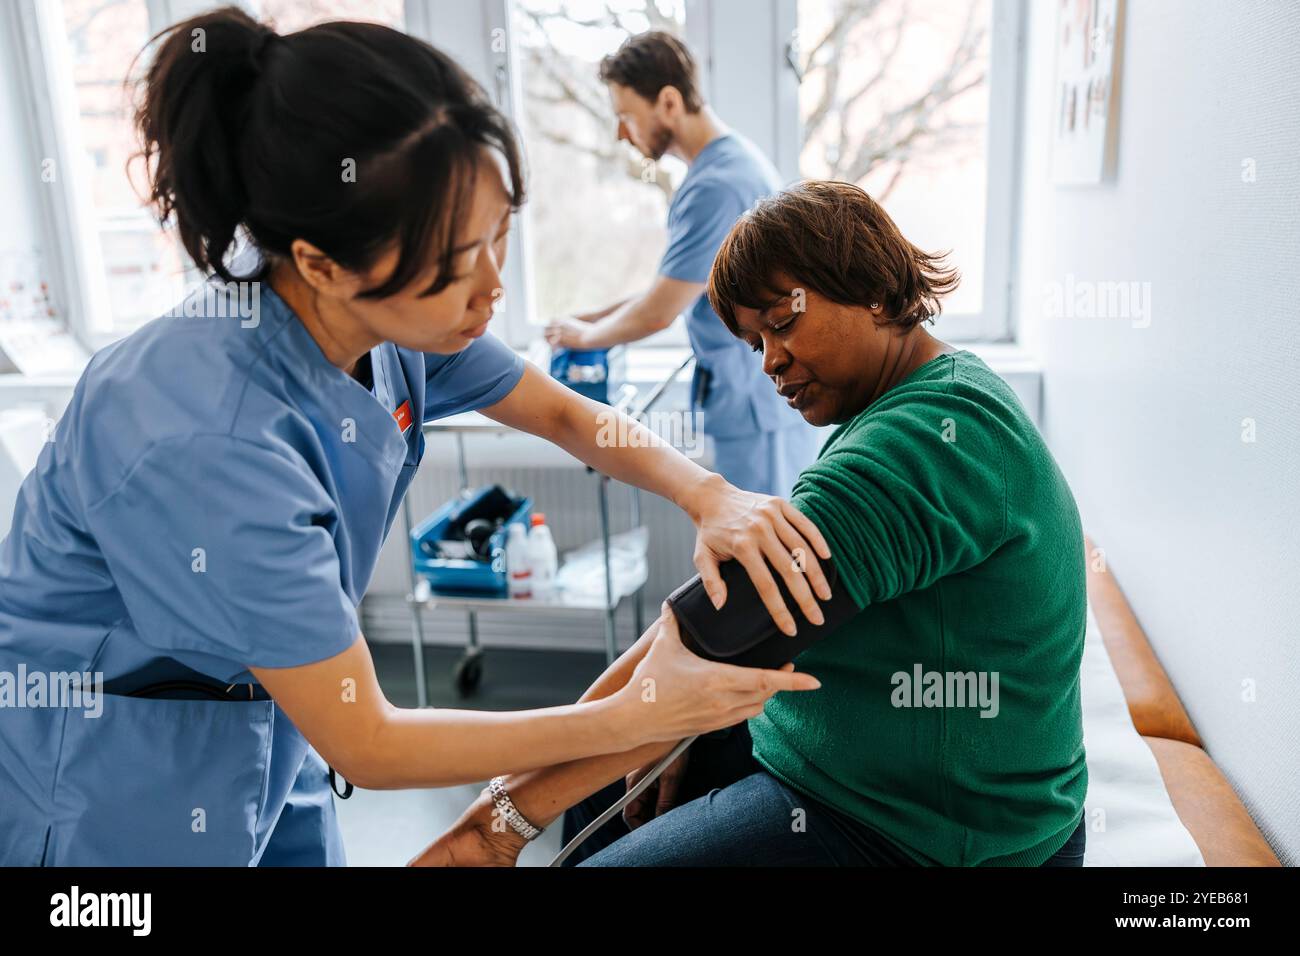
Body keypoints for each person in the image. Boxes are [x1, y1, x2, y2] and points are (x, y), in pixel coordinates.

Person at [0, 9, 833, 867]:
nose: (492, 290)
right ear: (322, 264)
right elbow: (371, 739)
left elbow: (564, 414)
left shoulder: (385, 325)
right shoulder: (206, 435)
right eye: (454, 263)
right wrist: (640, 717)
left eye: (498, 238)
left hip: (271, 721)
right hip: (112, 766)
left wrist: (705, 492)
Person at [415, 182, 1089, 867]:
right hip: (849, 757)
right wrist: (629, 748)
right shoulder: (917, 395)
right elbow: (700, 628)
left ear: (877, 292)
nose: (769, 360)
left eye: (783, 323)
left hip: (925, 831)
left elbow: (711, 647)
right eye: (754, 340)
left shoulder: (923, 446)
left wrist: (496, 825)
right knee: (604, 794)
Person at [543, 32, 823, 497]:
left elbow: (660, 310)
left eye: (626, 116)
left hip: (759, 404)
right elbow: (678, 284)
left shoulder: (716, 185)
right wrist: (586, 319)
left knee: (764, 553)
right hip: (754, 401)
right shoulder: (727, 166)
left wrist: (585, 337)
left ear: (669, 102)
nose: (620, 133)